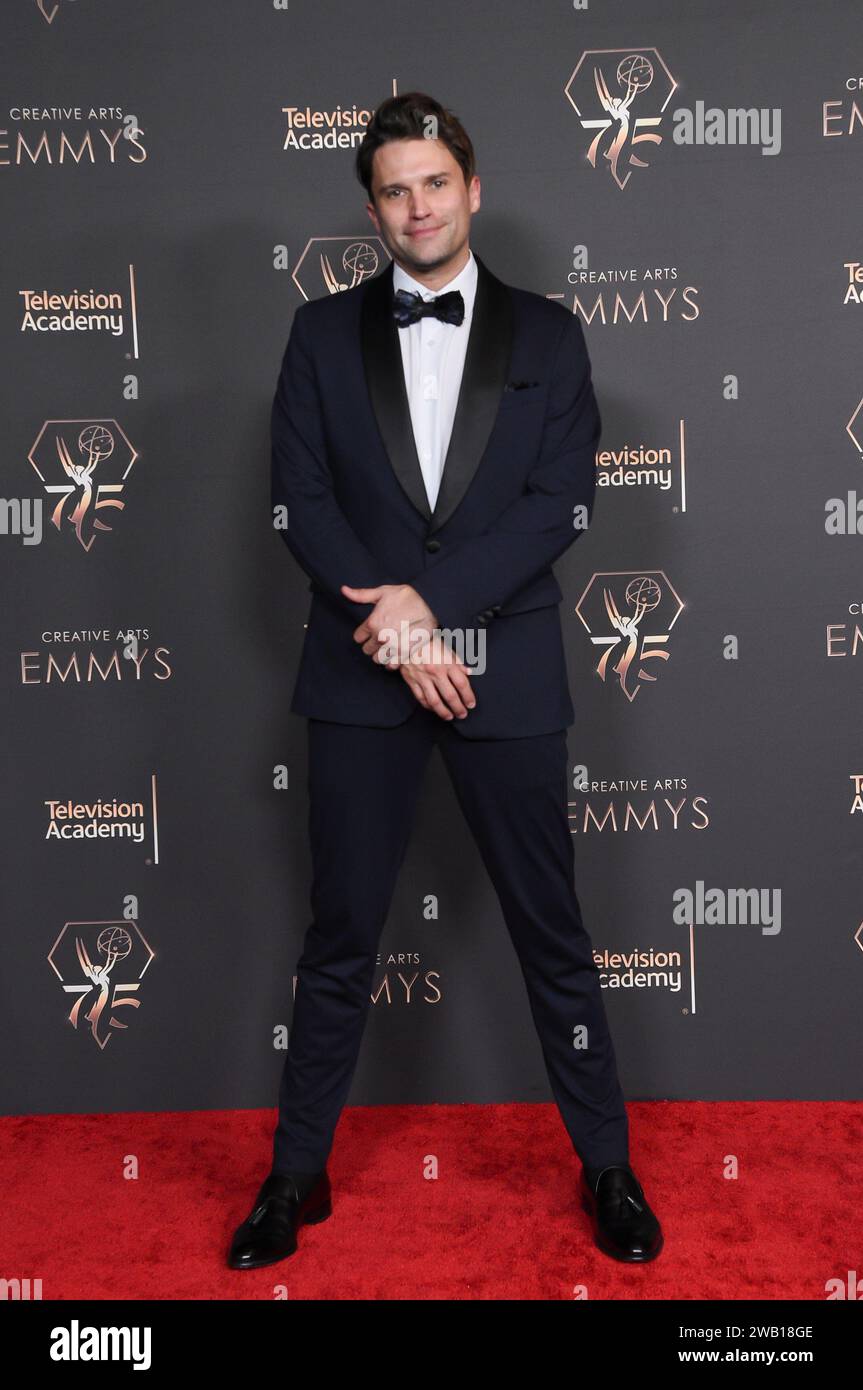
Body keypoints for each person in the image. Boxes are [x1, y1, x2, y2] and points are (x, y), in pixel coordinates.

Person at [228, 92, 662, 1270]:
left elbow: (557, 503)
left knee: (552, 932)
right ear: (370, 208)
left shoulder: (550, 335)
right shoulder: (318, 336)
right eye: (391, 189)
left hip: (503, 669)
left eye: (433, 182)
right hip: (365, 669)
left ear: (470, 187)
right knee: (338, 936)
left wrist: (439, 613)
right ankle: (294, 1174)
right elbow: (298, 503)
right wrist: (404, 634)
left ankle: (607, 1166)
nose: (416, 206)